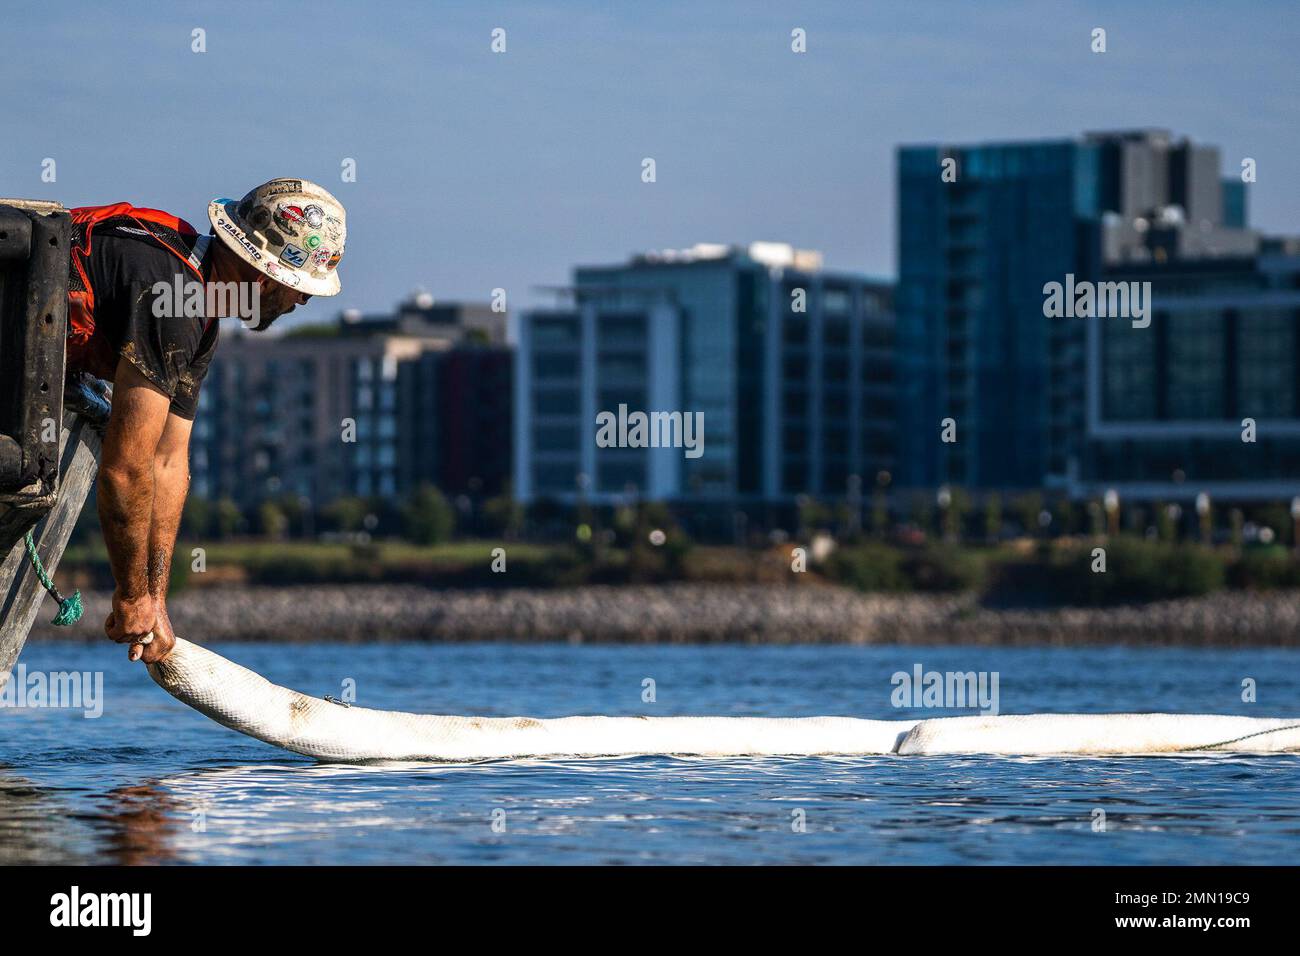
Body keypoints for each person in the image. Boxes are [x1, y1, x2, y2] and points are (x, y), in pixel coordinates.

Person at [67, 179, 346, 663]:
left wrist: (154, 599)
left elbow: (168, 463)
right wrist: (130, 597)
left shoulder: (201, 310)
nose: (302, 303)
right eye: (299, 289)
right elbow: (126, 469)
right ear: (263, 275)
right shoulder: (173, 294)